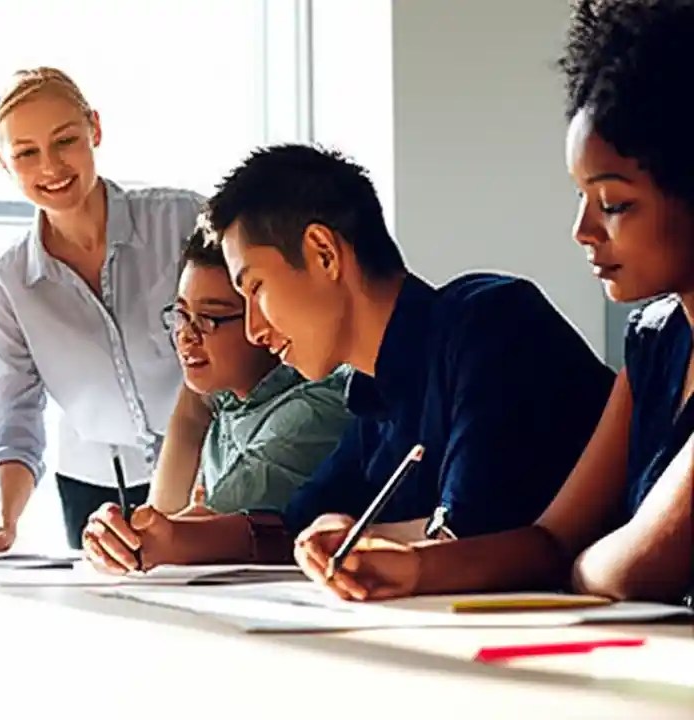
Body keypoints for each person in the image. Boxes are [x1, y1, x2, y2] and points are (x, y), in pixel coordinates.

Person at [296, 0, 693, 604]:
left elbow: (630, 572)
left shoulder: (491, 321)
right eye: (580, 197)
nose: (582, 231)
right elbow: (551, 540)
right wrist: (415, 568)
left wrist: (582, 567)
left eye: (613, 204)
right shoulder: (653, 342)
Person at [200, 144, 615, 563]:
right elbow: (297, 526)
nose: (253, 329)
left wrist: (351, 540)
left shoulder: (493, 324)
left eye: (255, 288)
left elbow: (470, 532)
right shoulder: (371, 394)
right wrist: (179, 538)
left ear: (324, 253)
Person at [0, 67, 205, 554]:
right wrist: (2, 519)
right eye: (26, 153)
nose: (51, 167)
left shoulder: (185, 221)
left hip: (211, 467)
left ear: (94, 129)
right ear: (3, 162)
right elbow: (14, 421)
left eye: (65, 141)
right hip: (96, 492)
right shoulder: (10, 284)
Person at [82, 230, 353, 572]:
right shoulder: (229, 399)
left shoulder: (314, 410)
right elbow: (174, 518)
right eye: (181, 314)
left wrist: (139, 537)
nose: (186, 335)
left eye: (210, 318)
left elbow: (202, 527)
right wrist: (120, 535)